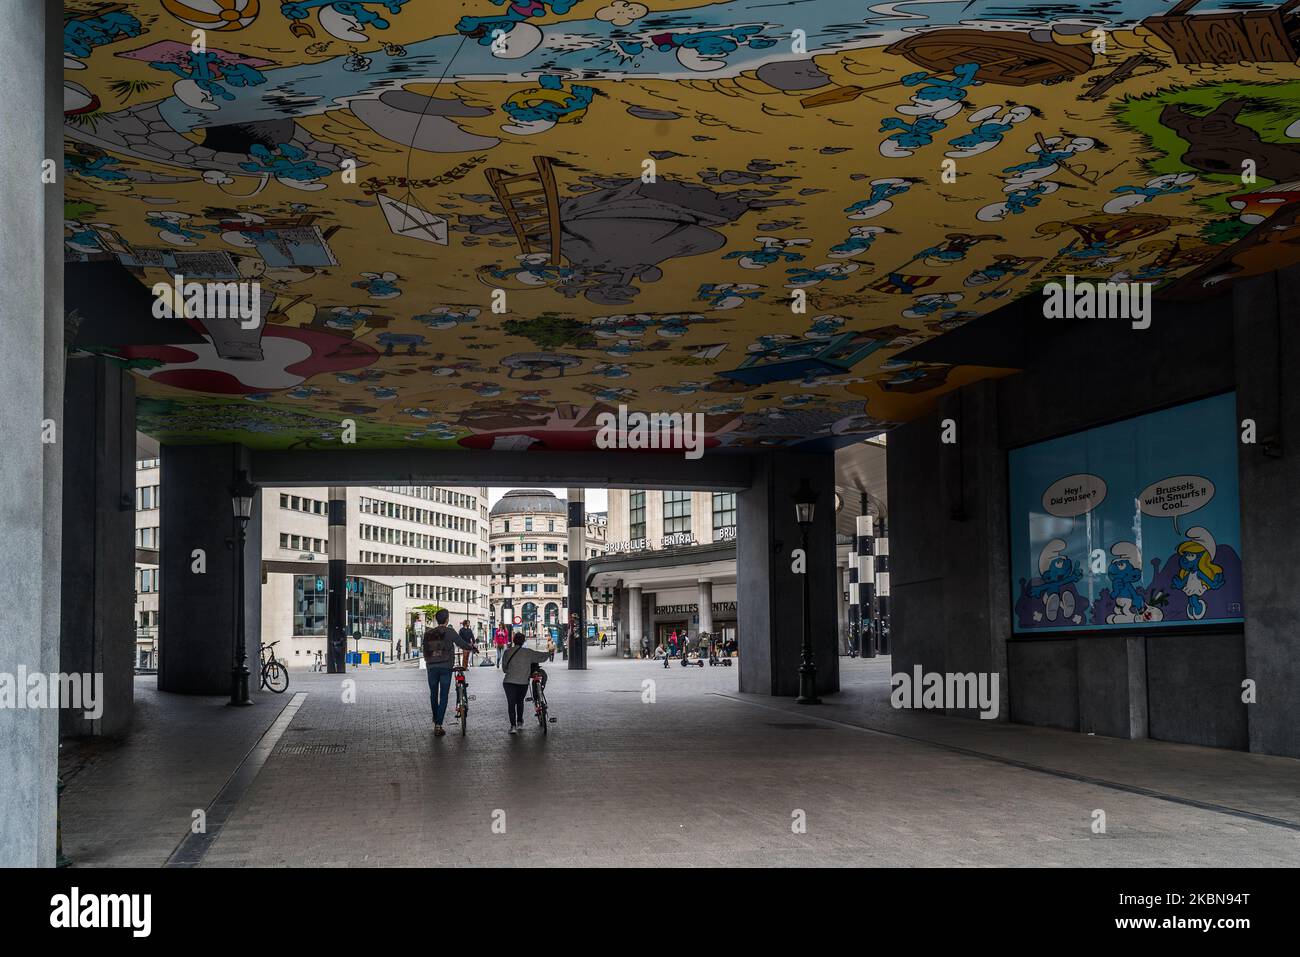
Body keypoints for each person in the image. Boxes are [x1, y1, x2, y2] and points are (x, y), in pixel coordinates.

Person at [423, 609, 476, 736]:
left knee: (433, 695)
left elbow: (424, 649)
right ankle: (438, 724)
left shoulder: (428, 633)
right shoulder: (450, 631)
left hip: (431, 667)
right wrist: (472, 647)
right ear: (447, 619)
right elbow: (462, 643)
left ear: (437, 619)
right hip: (446, 667)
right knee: (444, 696)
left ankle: (436, 719)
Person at [500, 631, 550, 733]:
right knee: (519, 702)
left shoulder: (507, 652)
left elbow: (504, 669)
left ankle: (513, 727)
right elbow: (543, 657)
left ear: (514, 641)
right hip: (523, 682)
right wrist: (550, 651)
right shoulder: (529, 652)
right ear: (523, 642)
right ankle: (519, 722)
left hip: (509, 682)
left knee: (511, 703)